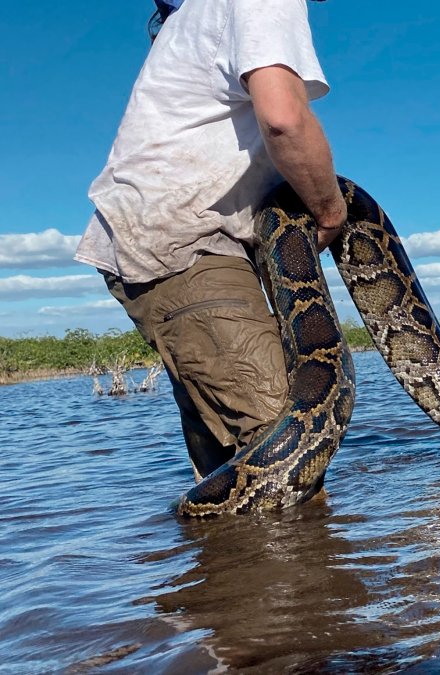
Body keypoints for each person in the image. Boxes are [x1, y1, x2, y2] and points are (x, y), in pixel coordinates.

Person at [75, 0, 345, 481]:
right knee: (285, 446)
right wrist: (330, 211)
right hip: (190, 245)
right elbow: (283, 119)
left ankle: (216, 535)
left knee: (228, 466)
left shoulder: (202, 11)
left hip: (166, 242)